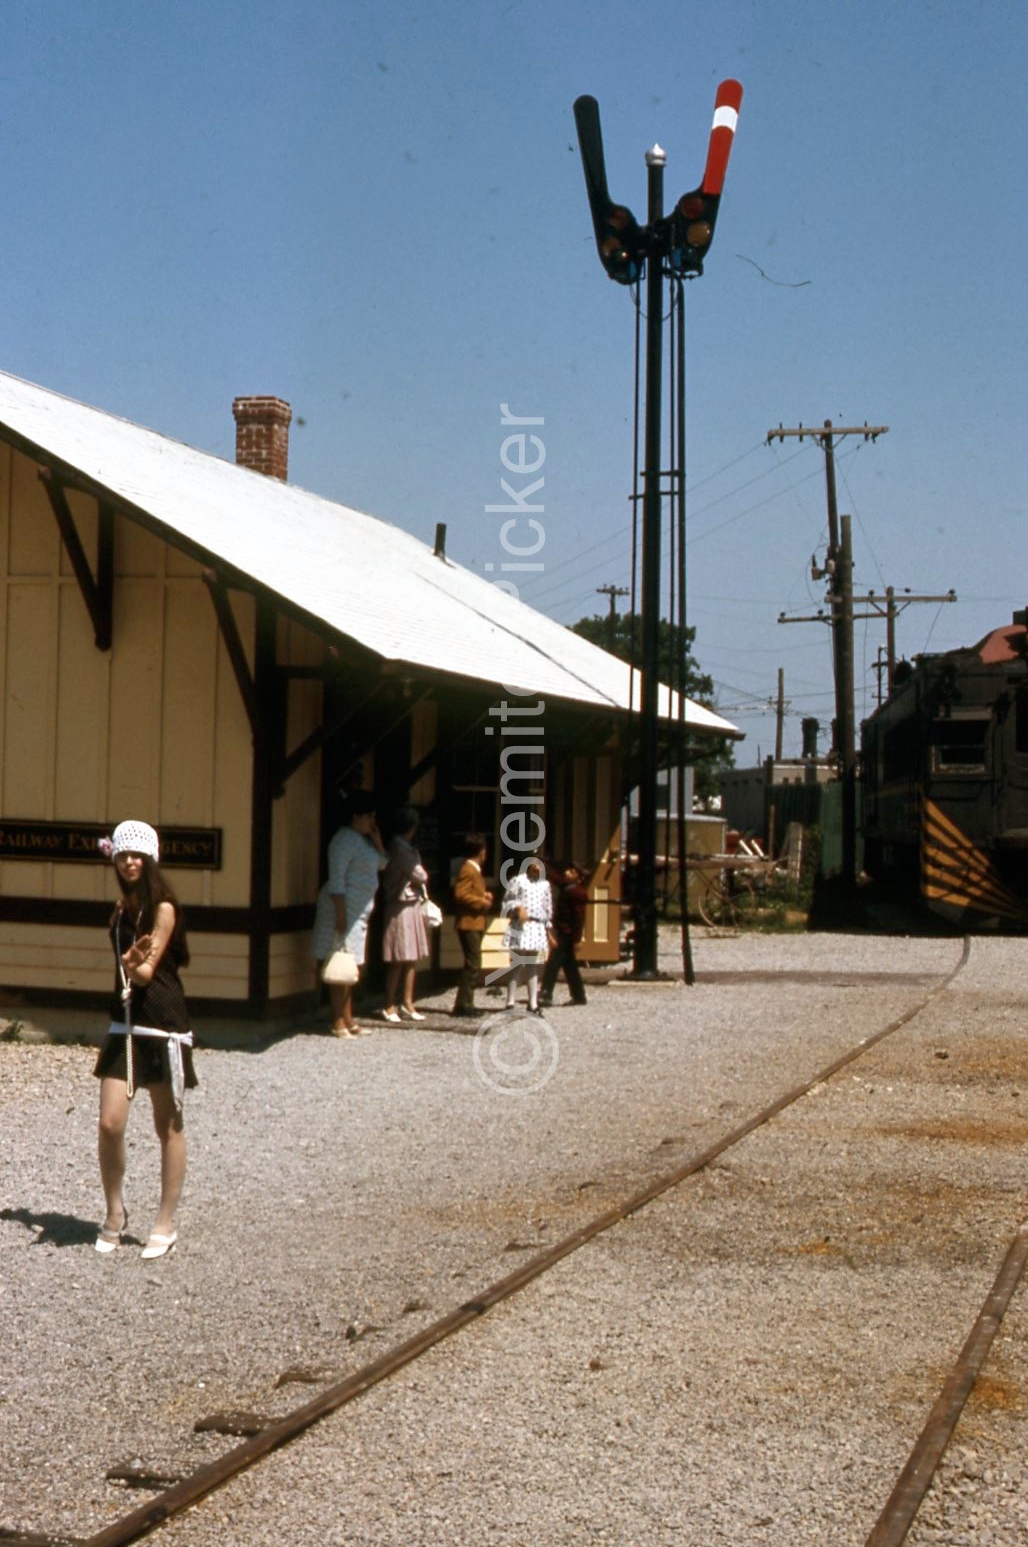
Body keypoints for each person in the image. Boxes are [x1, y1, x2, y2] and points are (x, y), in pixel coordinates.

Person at [93, 820, 195, 1260]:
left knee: (166, 1124)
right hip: (125, 1021)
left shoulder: (163, 908)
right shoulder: (122, 907)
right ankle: (115, 1213)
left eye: (137, 855)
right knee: (110, 1123)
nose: (129, 861)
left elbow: (149, 973)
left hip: (162, 1023)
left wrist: (134, 963)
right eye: (122, 854)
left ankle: (165, 1222)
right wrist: (128, 964)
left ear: (150, 859)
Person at [311, 791, 387, 1037]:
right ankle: (338, 1020)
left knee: (351, 966)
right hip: (342, 910)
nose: (371, 821)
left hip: (358, 913)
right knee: (339, 964)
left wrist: (377, 841)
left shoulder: (363, 841)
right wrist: (341, 914)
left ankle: (348, 1016)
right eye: (368, 817)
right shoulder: (343, 840)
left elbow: (383, 863)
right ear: (356, 816)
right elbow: (337, 880)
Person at [379, 805, 431, 1023]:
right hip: (399, 905)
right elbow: (419, 874)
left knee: (411, 957)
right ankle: (389, 1003)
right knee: (399, 957)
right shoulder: (399, 848)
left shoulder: (406, 847)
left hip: (410, 905)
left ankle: (407, 1002)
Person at [500, 855, 553, 1015]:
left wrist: (549, 930)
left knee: (533, 965)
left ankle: (533, 1003)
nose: (537, 869)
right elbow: (507, 900)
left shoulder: (545, 884)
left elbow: (547, 907)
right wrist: (517, 907)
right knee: (517, 963)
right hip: (521, 924)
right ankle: (510, 1001)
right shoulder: (519, 881)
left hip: (537, 925)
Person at [451, 833, 493, 1018]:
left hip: (475, 922)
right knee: (473, 963)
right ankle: (463, 1004)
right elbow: (460, 894)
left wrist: (484, 896)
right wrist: (481, 902)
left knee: (473, 963)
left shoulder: (474, 870)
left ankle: (466, 1002)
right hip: (469, 923)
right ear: (482, 852)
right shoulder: (468, 869)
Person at [540, 861, 589, 1007]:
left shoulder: (577, 893)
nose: (567, 872)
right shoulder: (567, 887)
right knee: (570, 966)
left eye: (572, 872)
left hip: (568, 934)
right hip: (563, 931)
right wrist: (542, 865)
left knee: (553, 963)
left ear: (578, 879)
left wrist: (577, 939)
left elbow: (579, 918)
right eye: (569, 870)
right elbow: (555, 877)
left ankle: (546, 993)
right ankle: (579, 995)